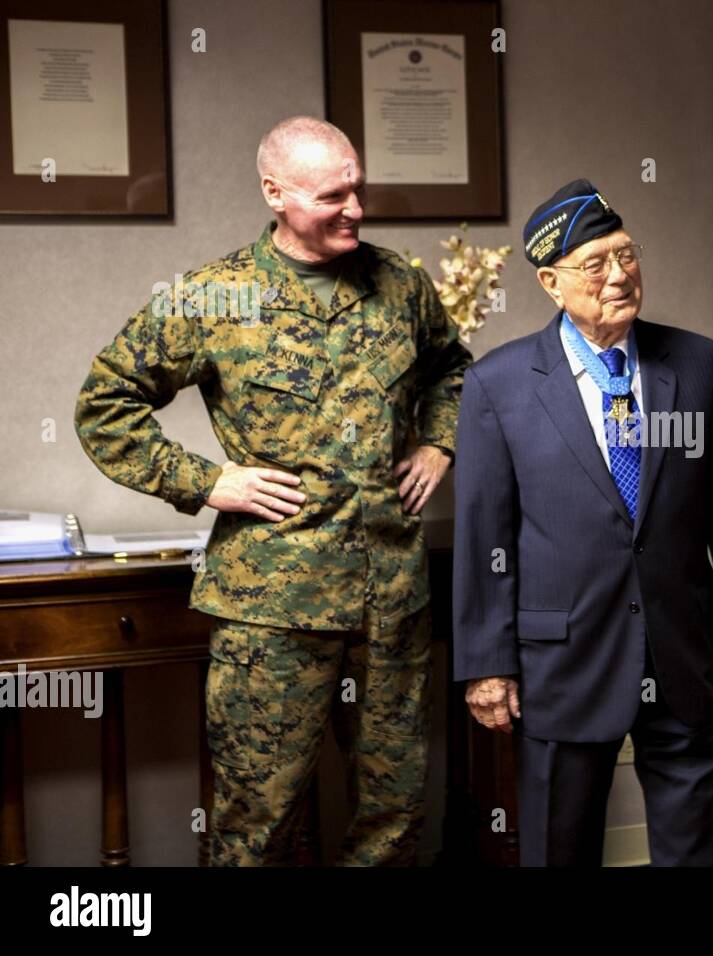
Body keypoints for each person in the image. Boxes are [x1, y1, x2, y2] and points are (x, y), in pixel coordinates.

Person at [74, 116, 471, 865]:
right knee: (257, 822)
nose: (356, 207)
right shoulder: (213, 297)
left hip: (392, 604)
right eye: (332, 195)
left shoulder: (402, 285)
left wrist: (437, 442)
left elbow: (453, 366)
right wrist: (207, 481)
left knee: (393, 817)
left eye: (358, 188)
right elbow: (104, 405)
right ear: (275, 193)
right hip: (272, 610)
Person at [452, 179, 713, 866]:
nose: (620, 275)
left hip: (684, 651)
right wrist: (486, 662)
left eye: (627, 255)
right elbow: (485, 538)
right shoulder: (498, 385)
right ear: (550, 281)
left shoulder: (697, 363)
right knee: (558, 850)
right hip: (561, 660)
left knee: (692, 853)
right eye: (596, 264)